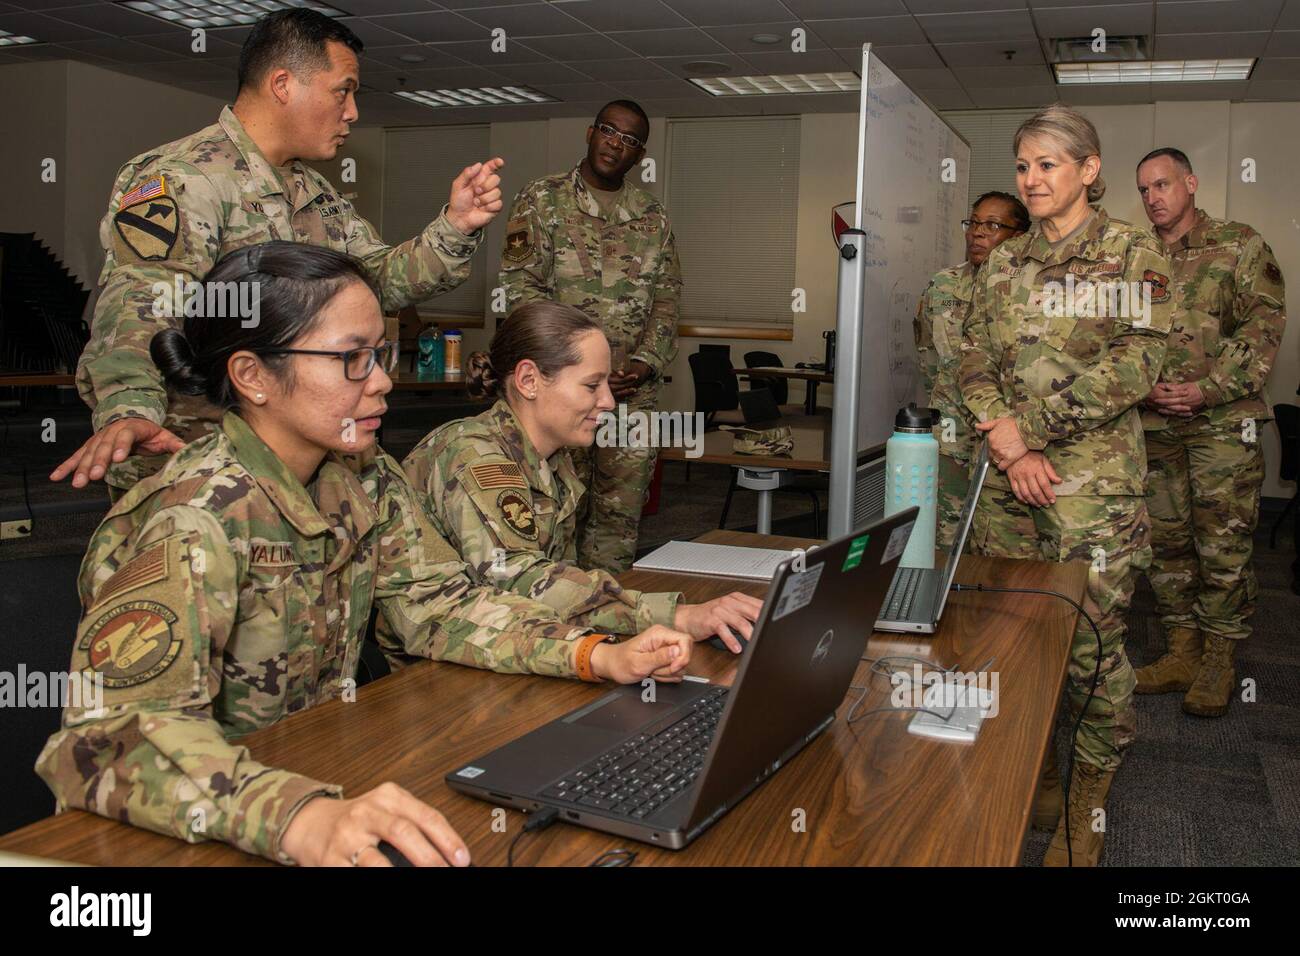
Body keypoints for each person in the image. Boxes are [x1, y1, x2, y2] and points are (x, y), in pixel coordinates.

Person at [36, 242, 695, 867]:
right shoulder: (195, 517)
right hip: (216, 822)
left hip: (321, 769)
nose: (383, 382)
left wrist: (593, 653)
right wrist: (299, 816)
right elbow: (108, 740)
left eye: (381, 354)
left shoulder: (360, 473)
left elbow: (439, 608)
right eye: (353, 358)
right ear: (252, 375)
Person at [51, 8, 505, 498]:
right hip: (201, 456)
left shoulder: (315, 192)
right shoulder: (184, 178)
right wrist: (131, 412)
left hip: (297, 453)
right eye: (343, 90)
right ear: (283, 84)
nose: (352, 112)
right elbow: (142, 307)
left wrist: (454, 227)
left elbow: (377, 282)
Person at [959, 104, 1173, 866]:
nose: (1032, 178)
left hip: (1093, 491)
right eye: (1023, 165)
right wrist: (1007, 443)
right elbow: (973, 358)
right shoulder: (1007, 260)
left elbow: (1139, 362)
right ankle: (1038, 771)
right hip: (1009, 485)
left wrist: (1033, 431)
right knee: (1012, 640)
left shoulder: (1129, 251)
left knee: (1088, 647)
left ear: (1088, 170)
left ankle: (1089, 803)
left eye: (1048, 164)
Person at [402, 300, 763, 652]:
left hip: (516, 641)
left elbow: (555, 586)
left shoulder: (555, 455)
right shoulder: (476, 457)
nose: (607, 400)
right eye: (592, 386)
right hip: (433, 667)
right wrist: (675, 615)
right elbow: (518, 581)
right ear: (529, 380)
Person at [1133, 147, 1287, 717]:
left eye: (1163, 185)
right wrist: (1139, 385)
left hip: (1223, 423)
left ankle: (1219, 661)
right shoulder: (1136, 255)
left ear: (1191, 183)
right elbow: (1117, 333)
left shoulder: (1239, 244)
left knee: (1222, 542)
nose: (1154, 198)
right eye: (1145, 189)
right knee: (1167, 543)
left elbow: (1264, 326)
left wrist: (1209, 388)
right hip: (1154, 422)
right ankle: (1181, 652)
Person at [498, 99, 679, 574]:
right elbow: (520, 287)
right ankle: (555, 624)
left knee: (619, 518)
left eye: (631, 141)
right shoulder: (542, 198)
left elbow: (667, 299)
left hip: (630, 398)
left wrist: (646, 363)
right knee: (554, 513)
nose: (616, 145)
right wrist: (568, 363)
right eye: (609, 131)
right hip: (559, 392)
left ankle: (608, 614)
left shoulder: (651, 217)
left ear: (640, 155)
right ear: (590, 132)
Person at [914, 191, 1029, 546]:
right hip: (950, 430)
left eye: (993, 225)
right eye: (974, 223)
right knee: (944, 534)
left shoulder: (1030, 290)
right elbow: (928, 354)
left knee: (1004, 539)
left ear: (1021, 235)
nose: (977, 233)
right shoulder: (943, 285)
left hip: (1006, 432)